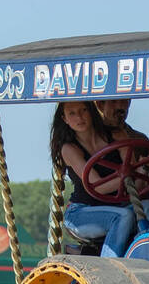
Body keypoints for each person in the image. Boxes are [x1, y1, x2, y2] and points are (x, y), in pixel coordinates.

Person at [53, 101, 136, 257]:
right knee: (123, 217)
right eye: (72, 113)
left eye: (83, 110)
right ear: (64, 118)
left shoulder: (117, 135)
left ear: (91, 112)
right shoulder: (69, 149)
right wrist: (130, 176)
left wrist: (141, 174)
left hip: (120, 205)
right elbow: (98, 186)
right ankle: (108, 268)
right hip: (81, 214)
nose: (79, 117)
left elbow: (134, 174)